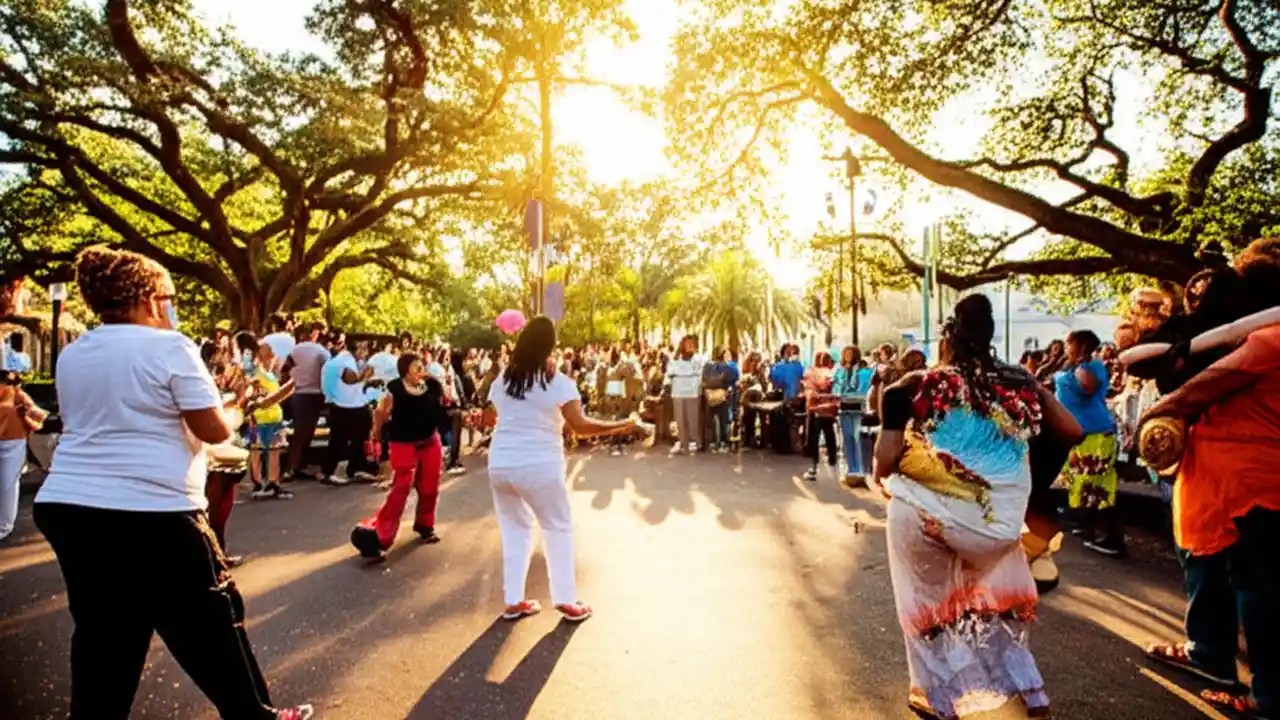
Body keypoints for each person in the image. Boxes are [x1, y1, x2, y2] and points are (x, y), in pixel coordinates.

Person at [34, 245, 313, 720]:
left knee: (105, 636)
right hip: (153, 511)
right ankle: (255, 715)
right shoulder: (169, 346)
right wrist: (237, 407)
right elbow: (211, 430)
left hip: (70, 506)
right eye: (170, 295)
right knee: (212, 622)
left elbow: (117, 415)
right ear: (149, 298)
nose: (172, 304)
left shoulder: (75, 353)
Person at [872, 294, 1081, 720]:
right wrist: (1031, 383)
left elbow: (886, 460)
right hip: (994, 529)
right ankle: (1016, 689)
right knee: (987, 608)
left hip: (925, 519)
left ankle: (936, 694)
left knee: (927, 604)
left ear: (948, 335)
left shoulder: (911, 387)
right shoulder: (1017, 385)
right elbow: (1071, 430)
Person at [1138, 238, 1280, 719]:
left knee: (1259, 591)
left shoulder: (1267, 341)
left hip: (1251, 489)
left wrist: (1156, 415)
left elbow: (1199, 388)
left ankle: (1267, 695)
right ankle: (1215, 656)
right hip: (1251, 488)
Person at [487, 316, 640, 623]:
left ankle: (514, 600)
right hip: (539, 465)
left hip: (501, 464)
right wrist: (623, 425)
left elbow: (495, 417)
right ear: (550, 348)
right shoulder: (557, 382)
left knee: (516, 530)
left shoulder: (503, 380)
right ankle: (566, 599)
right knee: (557, 526)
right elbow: (580, 427)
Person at [351, 353, 450, 560]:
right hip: (404, 442)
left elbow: (446, 401)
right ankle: (381, 536)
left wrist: (439, 382)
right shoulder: (394, 389)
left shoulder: (431, 386)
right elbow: (381, 412)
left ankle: (425, 526)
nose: (421, 370)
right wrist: (377, 433)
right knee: (401, 487)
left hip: (430, 440)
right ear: (405, 370)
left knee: (430, 486)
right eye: (416, 367)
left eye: (422, 366)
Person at [1055, 329, 1125, 557]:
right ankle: (1090, 529)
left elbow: (1087, 387)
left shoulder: (1091, 366)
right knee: (1082, 484)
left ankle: (1110, 539)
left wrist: (1080, 363)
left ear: (1082, 346)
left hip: (1095, 434)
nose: (1066, 348)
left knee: (1098, 487)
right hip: (1080, 435)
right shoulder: (1072, 366)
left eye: (1070, 344)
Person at [321, 335, 375, 485]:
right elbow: (349, 378)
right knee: (339, 439)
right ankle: (329, 472)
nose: (365, 351)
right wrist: (365, 375)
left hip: (355, 404)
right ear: (354, 348)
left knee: (360, 436)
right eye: (362, 347)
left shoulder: (353, 360)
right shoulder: (345, 359)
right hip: (344, 406)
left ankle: (355, 468)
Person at [0, 370, 46, 541]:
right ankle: (4, 526)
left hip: (13, 442)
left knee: (7, 485)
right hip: (13, 441)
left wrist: (26, 415)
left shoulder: (18, 395)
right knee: (7, 485)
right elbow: (39, 419)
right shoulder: (17, 394)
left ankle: (4, 526)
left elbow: (38, 417)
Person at [246, 343, 295, 500]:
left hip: (274, 419)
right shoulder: (256, 375)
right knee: (257, 452)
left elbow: (277, 395)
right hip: (259, 420)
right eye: (269, 354)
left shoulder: (272, 375)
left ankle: (274, 483)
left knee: (274, 451)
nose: (273, 356)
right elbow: (252, 396)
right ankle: (259, 483)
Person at [283, 321, 329, 481]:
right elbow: (326, 371)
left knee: (299, 431)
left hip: (298, 393)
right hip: (315, 393)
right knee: (307, 432)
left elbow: (285, 370)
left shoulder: (293, 351)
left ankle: (296, 465)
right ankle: (294, 466)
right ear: (314, 334)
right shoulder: (321, 351)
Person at [833, 346, 870, 486]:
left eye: (851, 353)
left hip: (857, 409)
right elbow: (836, 388)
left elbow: (863, 389)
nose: (848, 356)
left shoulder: (862, 371)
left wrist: (850, 395)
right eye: (846, 354)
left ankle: (860, 471)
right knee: (846, 439)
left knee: (858, 438)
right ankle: (850, 470)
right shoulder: (839, 371)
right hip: (844, 409)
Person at [802, 351, 839, 482]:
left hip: (815, 408)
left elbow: (809, 389)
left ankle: (814, 464)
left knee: (814, 437)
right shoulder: (832, 373)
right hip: (827, 409)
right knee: (829, 435)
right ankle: (832, 461)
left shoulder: (811, 372)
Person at [667, 335, 705, 455]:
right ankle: (681, 442)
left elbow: (697, 372)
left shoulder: (699, 359)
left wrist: (680, 372)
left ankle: (694, 442)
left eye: (692, 345)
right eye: (687, 344)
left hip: (692, 392)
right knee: (680, 419)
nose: (690, 347)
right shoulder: (674, 360)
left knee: (693, 418)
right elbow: (670, 371)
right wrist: (687, 372)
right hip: (678, 393)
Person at [702, 347, 740, 453]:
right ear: (722, 355)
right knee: (723, 420)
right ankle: (724, 443)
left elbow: (703, 379)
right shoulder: (726, 367)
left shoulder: (707, 366)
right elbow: (734, 378)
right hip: (723, 395)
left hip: (710, 395)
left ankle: (713, 443)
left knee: (712, 420)